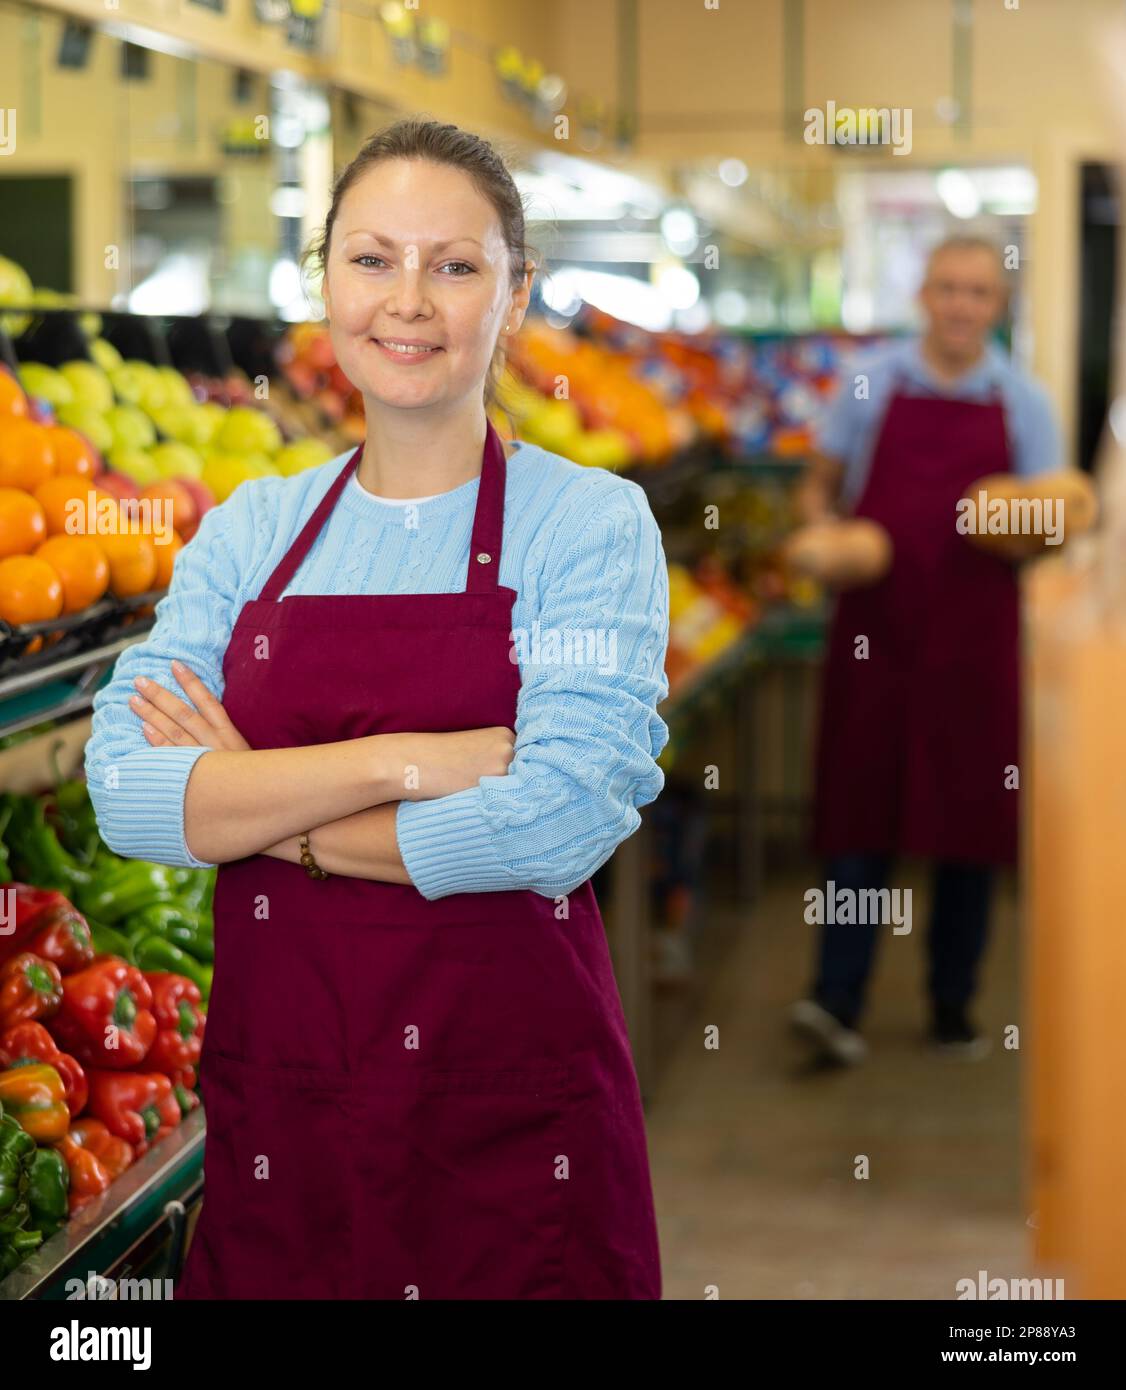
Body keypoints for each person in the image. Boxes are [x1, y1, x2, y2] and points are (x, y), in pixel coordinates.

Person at [85, 118, 670, 1299]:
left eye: (454, 266)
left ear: (514, 299)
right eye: (371, 259)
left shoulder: (587, 525)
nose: (408, 300)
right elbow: (126, 793)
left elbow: (554, 821)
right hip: (282, 1124)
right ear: (325, 282)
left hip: (512, 1137)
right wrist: (410, 759)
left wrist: (261, 808)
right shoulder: (252, 528)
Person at [786, 234, 1068, 1067]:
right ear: (923, 295)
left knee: (967, 827)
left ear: (998, 304)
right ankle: (835, 1002)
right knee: (858, 819)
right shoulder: (872, 381)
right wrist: (819, 532)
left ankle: (953, 1004)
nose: (960, 305)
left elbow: (1047, 523)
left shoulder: (1025, 401)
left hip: (975, 644)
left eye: (978, 292)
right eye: (947, 288)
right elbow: (820, 480)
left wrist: (1023, 536)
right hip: (874, 633)